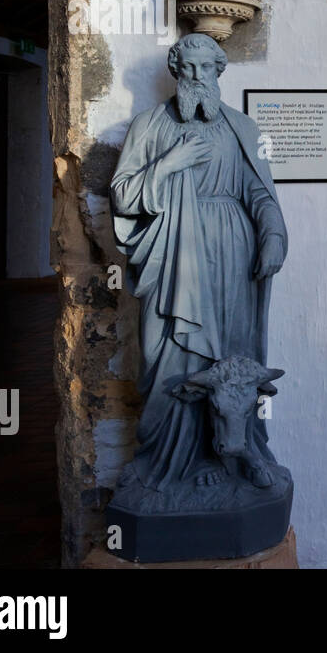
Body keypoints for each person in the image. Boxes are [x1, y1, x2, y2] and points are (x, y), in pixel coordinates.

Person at [110, 33, 287, 491]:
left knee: (231, 359)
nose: (195, 77)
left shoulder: (241, 128)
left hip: (233, 257)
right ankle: (166, 463)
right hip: (173, 260)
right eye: (186, 68)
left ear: (218, 71)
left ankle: (233, 455)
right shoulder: (149, 126)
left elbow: (259, 194)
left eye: (204, 68)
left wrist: (271, 234)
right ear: (175, 71)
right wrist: (169, 163)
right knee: (168, 358)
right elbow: (122, 196)